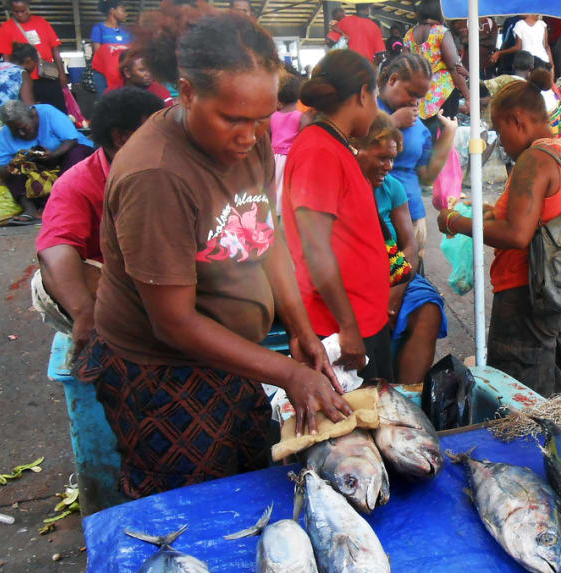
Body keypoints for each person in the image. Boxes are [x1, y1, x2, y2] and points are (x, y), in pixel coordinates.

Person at [73, 14, 350, 500]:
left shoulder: (253, 140)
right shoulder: (156, 176)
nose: (250, 136)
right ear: (186, 92)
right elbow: (175, 323)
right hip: (163, 376)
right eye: (233, 120)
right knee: (192, 508)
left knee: (249, 488)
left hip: (235, 359)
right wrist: (286, 372)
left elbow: (266, 238)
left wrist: (302, 332)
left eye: (262, 118)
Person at [436, 74, 561, 397]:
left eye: (499, 128)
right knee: (548, 381)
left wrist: (455, 222)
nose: (500, 140)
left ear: (518, 120)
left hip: (526, 292)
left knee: (517, 397)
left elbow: (518, 235)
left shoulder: (533, 159)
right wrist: (482, 210)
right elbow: (542, 217)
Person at [285, 50, 392, 381]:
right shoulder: (318, 150)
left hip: (360, 318)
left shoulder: (336, 145)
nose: (376, 110)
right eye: (375, 97)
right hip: (338, 330)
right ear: (363, 94)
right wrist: (348, 326)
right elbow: (315, 248)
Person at [32, 88, 164, 351]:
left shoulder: (174, 170)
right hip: (116, 286)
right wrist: (83, 313)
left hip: (169, 278)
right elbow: (56, 248)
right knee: (46, 279)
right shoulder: (77, 183)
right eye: (158, 131)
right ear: (121, 138)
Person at [355, 112, 447, 384]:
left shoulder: (392, 187)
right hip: (357, 279)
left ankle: (406, 398)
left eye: (392, 158)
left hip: (397, 273)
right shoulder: (344, 186)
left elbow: (409, 245)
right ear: (358, 150)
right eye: (382, 157)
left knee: (428, 308)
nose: (389, 166)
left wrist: (394, 292)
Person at [376, 52, 457, 263]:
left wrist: (448, 135)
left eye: (419, 97)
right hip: (375, 216)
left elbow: (426, 177)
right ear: (392, 80)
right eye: (411, 93)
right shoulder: (367, 111)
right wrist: (391, 123)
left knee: (409, 285)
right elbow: (355, 149)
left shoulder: (418, 126)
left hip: (412, 215)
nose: (415, 102)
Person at [0, 100, 95, 224]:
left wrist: (53, 155)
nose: (21, 133)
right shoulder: (5, 134)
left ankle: (64, 203)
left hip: (62, 157)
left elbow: (71, 139)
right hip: (38, 169)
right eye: (15, 131)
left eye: (24, 128)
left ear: (32, 116)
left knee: (76, 153)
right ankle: (30, 209)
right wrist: (12, 165)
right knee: (14, 171)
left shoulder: (48, 112)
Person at [403, 0, 470, 126]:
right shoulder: (441, 32)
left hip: (420, 93)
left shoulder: (408, 35)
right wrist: (468, 96)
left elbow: (405, 66)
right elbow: (453, 66)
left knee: (427, 134)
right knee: (445, 134)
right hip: (443, 93)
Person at [0, 0, 67, 113]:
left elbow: (55, 50)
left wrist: (62, 74)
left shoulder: (42, 22)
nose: (20, 14)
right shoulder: (6, 28)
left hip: (49, 76)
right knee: (32, 113)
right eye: (16, 12)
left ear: (28, 7)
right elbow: (6, 59)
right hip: (25, 79)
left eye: (23, 11)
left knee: (58, 111)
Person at [271, 74, 301, 216]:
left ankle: (274, 220)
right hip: (290, 158)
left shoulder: (273, 116)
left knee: (275, 188)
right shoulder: (299, 117)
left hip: (274, 156)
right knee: (287, 190)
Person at [89, 0, 131, 96]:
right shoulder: (99, 28)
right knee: (107, 101)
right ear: (112, 11)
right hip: (103, 76)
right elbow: (98, 53)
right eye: (123, 10)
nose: (126, 14)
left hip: (122, 74)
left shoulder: (126, 31)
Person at [107, 50, 174, 105]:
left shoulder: (161, 92)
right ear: (127, 72)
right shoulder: (112, 95)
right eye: (142, 70)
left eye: (150, 68)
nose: (149, 73)